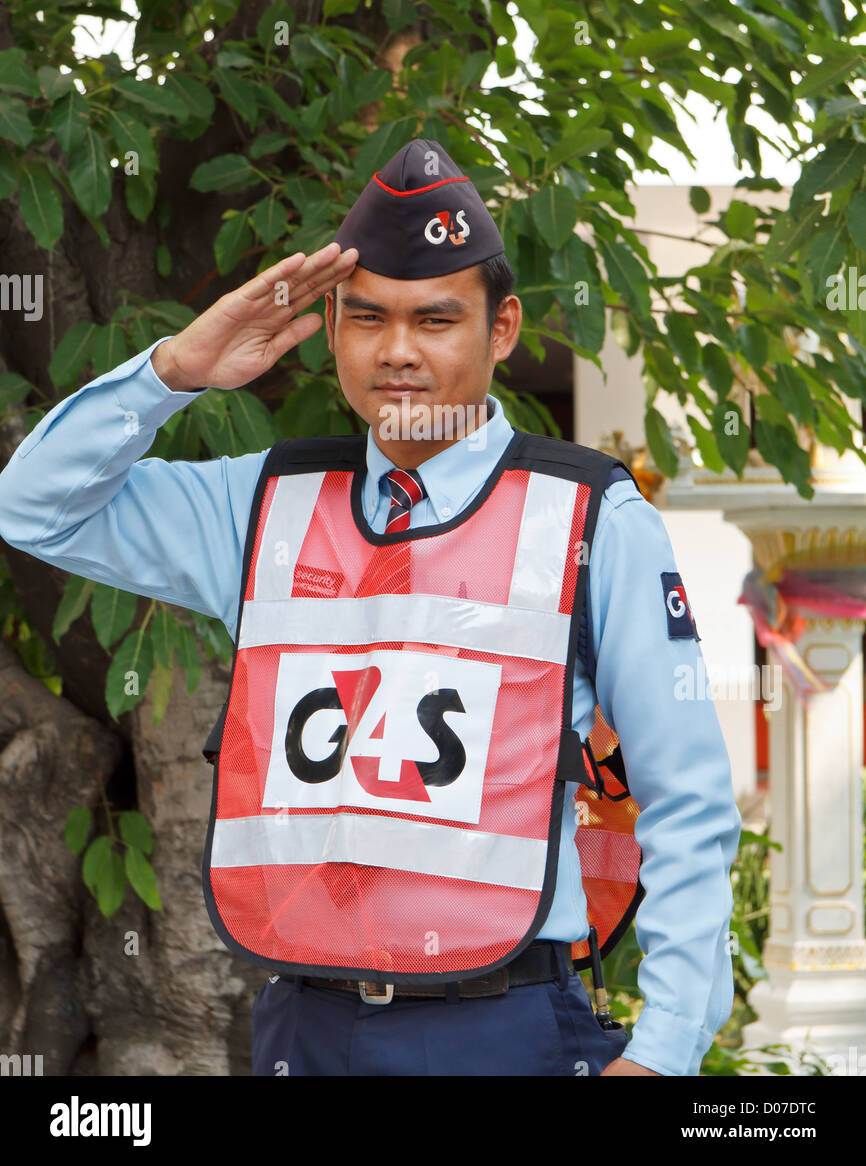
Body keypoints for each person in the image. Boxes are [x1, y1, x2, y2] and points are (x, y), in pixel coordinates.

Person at [0, 138, 741, 1078]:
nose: (397, 352)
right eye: (367, 319)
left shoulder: (593, 517)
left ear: (501, 329)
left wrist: (666, 1054)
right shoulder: (262, 503)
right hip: (300, 1027)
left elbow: (689, 799)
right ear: (335, 328)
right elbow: (32, 507)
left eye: (436, 320)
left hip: (502, 1027)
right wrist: (173, 370)